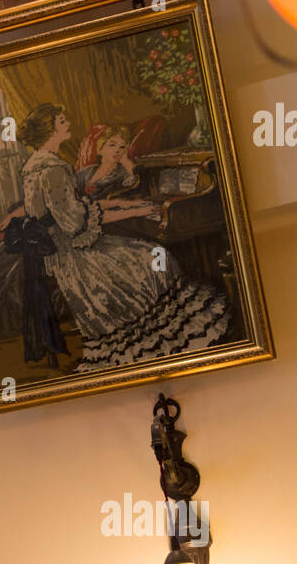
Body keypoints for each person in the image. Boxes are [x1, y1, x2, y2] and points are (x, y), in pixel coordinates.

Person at [19, 104, 229, 371]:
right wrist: (138, 209)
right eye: (62, 120)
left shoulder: (36, 166)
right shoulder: (54, 170)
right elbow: (75, 222)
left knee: (149, 252)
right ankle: (161, 346)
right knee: (152, 257)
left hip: (63, 254)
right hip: (77, 260)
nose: (68, 123)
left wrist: (130, 207)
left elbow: (81, 208)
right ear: (49, 130)